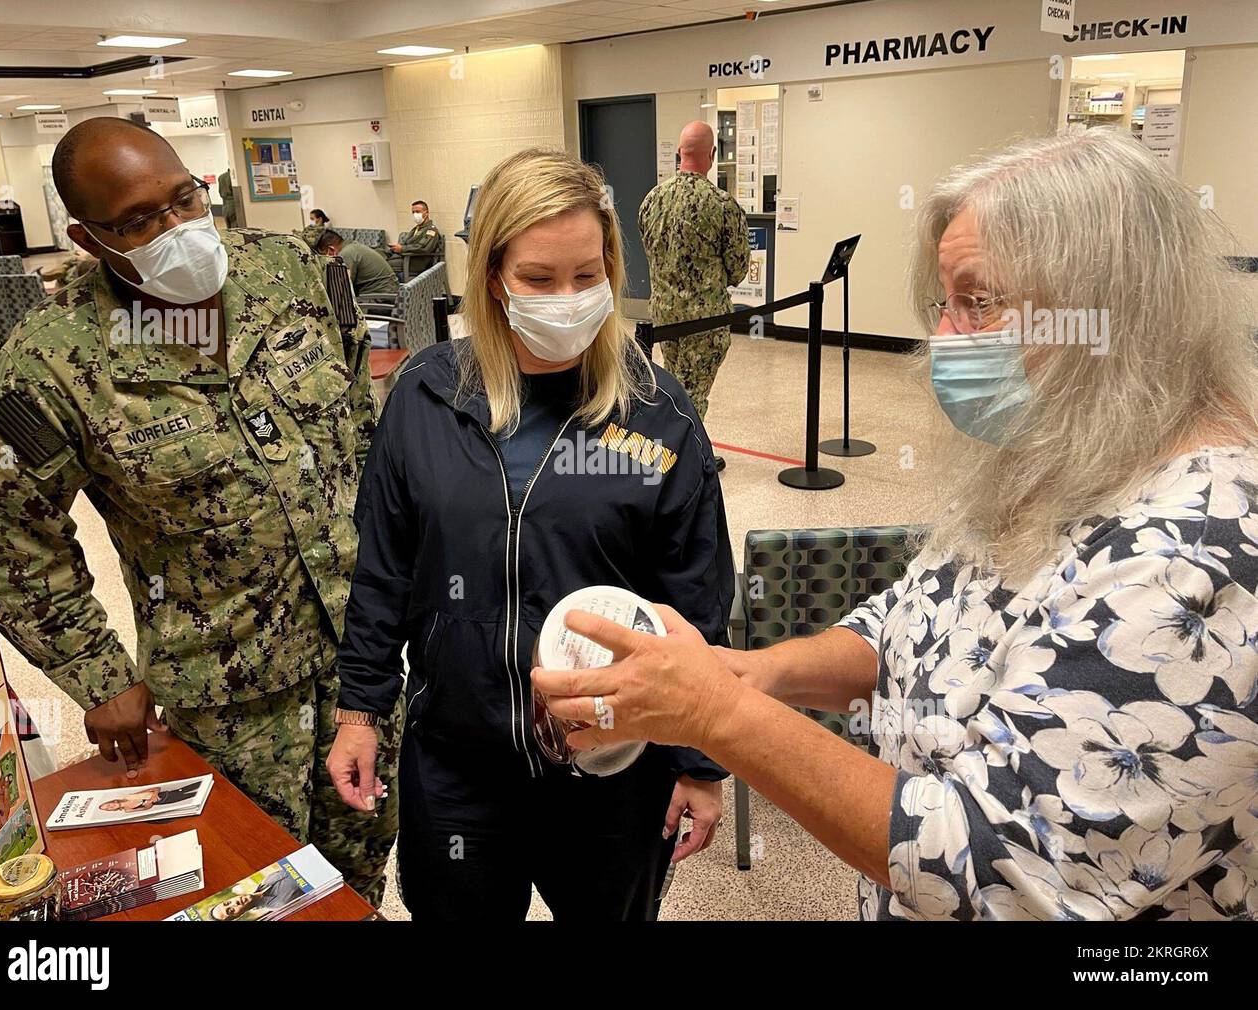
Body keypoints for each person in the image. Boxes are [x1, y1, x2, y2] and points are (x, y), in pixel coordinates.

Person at [534, 129, 1258, 921]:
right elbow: (907, 622)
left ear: (1111, 311)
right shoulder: (1063, 459)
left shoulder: (1200, 554)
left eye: (978, 303)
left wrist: (720, 714)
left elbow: (1000, 869)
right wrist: (758, 674)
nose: (944, 337)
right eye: (944, 304)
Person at [0, 117, 402, 906]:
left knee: (356, 877)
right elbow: (17, 543)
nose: (176, 229)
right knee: (251, 888)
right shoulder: (54, 360)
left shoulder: (287, 270)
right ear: (89, 238)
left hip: (364, 662)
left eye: (184, 200)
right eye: (138, 221)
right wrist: (99, 676)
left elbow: (360, 435)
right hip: (230, 694)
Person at [328, 147, 732, 922]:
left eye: (587, 275)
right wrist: (359, 712)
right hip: (459, 762)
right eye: (539, 280)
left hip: (611, 765)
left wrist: (701, 762)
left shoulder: (656, 411)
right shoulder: (425, 395)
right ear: (491, 277)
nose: (569, 298)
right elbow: (382, 568)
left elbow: (697, 596)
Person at [639, 121, 749, 472]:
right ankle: (688, 462)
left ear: (678, 154)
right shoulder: (721, 204)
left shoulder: (652, 200)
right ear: (712, 156)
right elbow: (738, 268)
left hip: (664, 318)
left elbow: (650, 252)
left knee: (673, 384)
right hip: (706, 321)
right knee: (695, 393)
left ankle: (676, 448)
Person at [315, 230, 398, 298]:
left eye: (324, 254)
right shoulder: (353, 246)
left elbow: (343, 289)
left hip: (380, 300)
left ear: (331, 249)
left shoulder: (345, 255)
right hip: (388, 294)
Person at [388, 200, 442, 279]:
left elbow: (424, 248)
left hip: (415, 262)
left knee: (384, 265)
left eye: (418, 212)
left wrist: (402, 248)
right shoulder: (416, 229)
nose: (415, 214)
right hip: (405, 259)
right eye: (413, 212)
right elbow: (405, 242)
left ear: (426, 213)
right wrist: (395, 248)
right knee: (379, 257)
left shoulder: (431, 230)